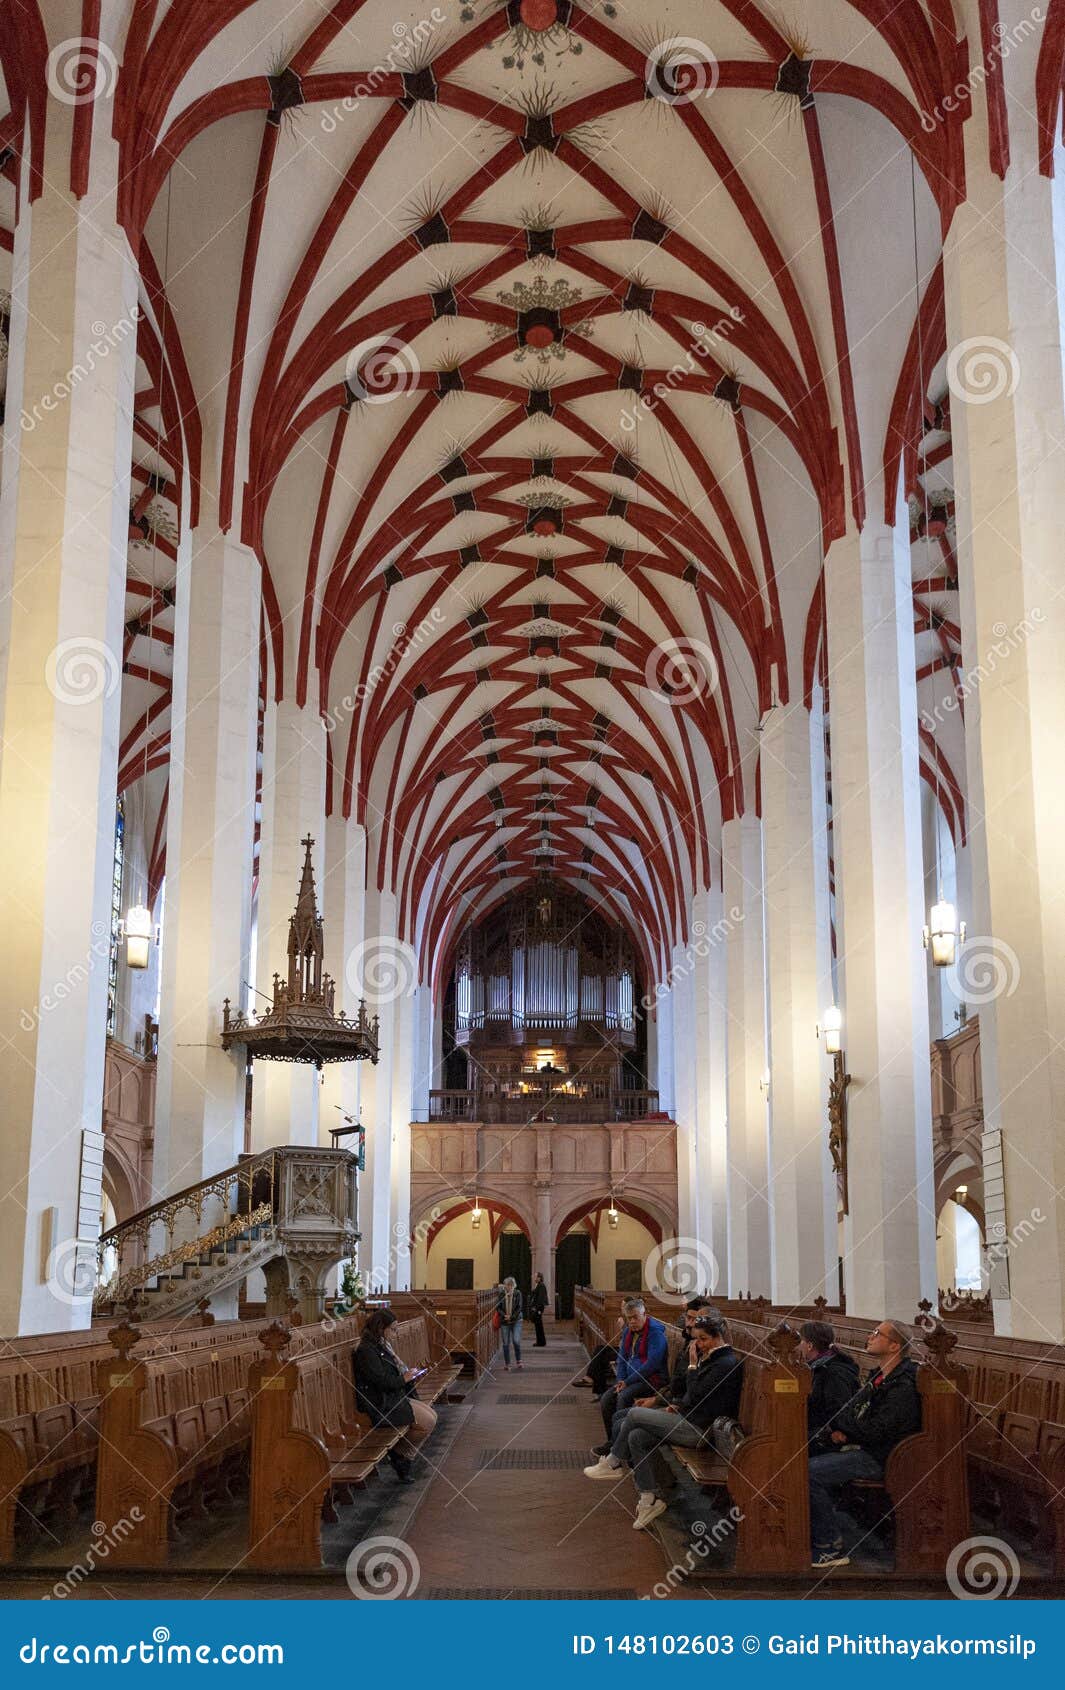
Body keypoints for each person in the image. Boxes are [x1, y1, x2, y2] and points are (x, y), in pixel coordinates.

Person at [584, 1314, 744, 1530]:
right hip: (687, 1417)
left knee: (633, 1415)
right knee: (636, 1436)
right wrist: (677, 1404)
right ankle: (649, 1499)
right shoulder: (714, 1358)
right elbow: (694, 1396)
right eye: (697, 1339)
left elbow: (697, 1394)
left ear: (719, 1338)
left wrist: (693, 1366)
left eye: (704, 1339)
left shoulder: (724, 1363)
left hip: (698, 1431)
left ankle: (613, 1461)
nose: (699, 1344)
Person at [807, 1318, 922, 1568]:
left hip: (882, 1457)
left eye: (877, 1333)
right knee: (801, 1452)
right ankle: (805, 1530)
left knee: (808, 1473)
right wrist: (839, 1428)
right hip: (862, 1446)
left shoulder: (903, 1384)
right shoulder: (880, 1375)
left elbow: (879, 1430)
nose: (870, 1337)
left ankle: (829, 1547)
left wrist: (845, 1431)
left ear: (894, 1346)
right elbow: (849, 1409)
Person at [353, 1307, 437, 1483]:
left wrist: (407, 1376)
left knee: (432, 1415)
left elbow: (389, 1376)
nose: (395, 1332)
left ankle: (401, 1455)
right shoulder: (366, 1351)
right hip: (380, 1403)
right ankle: (402, 1456)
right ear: (380, 1328)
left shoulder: (382, 1345)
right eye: (392, 1328)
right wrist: (404, 1378)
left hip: (393, 1396)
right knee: (427, 1421)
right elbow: (381, 1381)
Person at [592, 1296, 670, 1454]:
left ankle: (621, 1448)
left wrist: (627, 1382)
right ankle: (612, 1442)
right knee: (607, 1399)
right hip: (630, 1379)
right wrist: (620, 1380)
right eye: (629, 1319)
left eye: (635, 1317)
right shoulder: (628, 1331)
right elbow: (622, 1358)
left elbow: (651, 1365)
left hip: (651, 1380)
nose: (632, 1322)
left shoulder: (655, 1333)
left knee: (623, 1397)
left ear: (644, 1314)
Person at [799, 1319, 861, 1452]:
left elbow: (838, 1411)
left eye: (801, 1341)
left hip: (828, 1439)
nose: (799, 1346)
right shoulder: (820, 1366)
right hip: (816, 1432)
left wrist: (826, 1435)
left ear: (809, 1345)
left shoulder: (833, 1372)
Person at [496, 1275, 523, 1370]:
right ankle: (507, 1363)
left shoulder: (517, 1293)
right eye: (506, 1285)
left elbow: (519, 1307)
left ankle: (519, 1360)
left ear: (513, 1285)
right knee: (505, 1343)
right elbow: (498, 1307)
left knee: (516, 1340)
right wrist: (504, 1316)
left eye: (509, 1285)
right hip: (504, 1321)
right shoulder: (502, 1294)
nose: (507, 1287)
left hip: (516, 1321)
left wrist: (511, 1317)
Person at [530, 1272, 549, 1346]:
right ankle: (541, 1341)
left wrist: (536, 1309)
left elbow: (540, 1299)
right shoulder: (539, 1285)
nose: (534, 1278)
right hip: (537, 1308)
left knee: (539, 1326)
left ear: (539, 1278)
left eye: (535, 1276)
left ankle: (541, 1342)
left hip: (538, 1309)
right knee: (538, 1326)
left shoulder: (541, 1286)